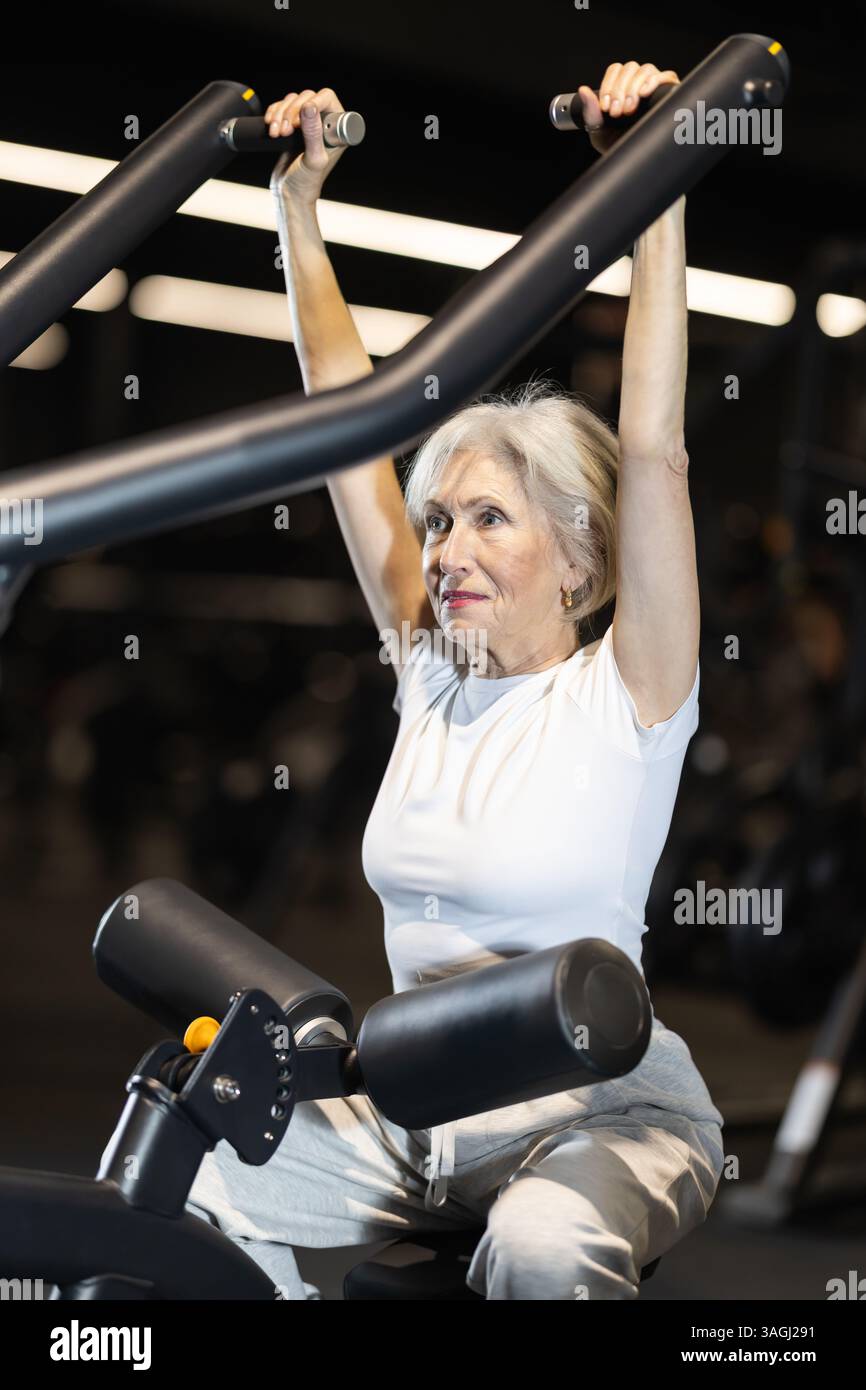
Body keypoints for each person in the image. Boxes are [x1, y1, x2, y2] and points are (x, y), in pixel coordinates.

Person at [185, 60, 726, 1301]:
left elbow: (652, 448)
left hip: (599, 1109)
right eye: (436, 521)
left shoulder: (627, 694)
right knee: (195, 1181)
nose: (446, 548)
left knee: (539, 1248)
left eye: (489, 518)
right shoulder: (429, 673)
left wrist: (652, 179)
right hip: (415, 1102)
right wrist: (296, 209)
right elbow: (346, 419)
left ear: (578, 553)